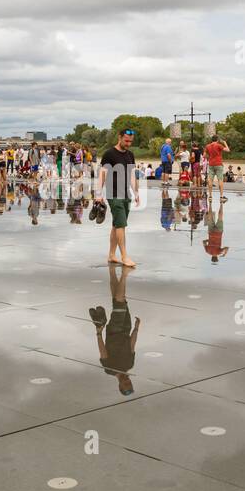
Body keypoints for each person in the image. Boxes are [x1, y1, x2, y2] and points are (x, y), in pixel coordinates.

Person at [89, 263, 140, 396]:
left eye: (125, 384)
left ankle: (124, 274)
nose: (127, 381)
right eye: (129, 383)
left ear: (120, 385)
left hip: (114, 330)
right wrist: (136, 329)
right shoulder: (130, 364)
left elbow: (103, 351)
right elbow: (132, 346)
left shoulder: (109, 369)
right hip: (127, 328)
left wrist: (99, 334)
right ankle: (112, 271)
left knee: (120, 300)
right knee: (118, 300)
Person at [97, 127, 140, 267]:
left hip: (125, 193)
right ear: (119, 137)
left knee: (117, 225)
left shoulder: (130, 154)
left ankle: (111, 255)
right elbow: (102, 174)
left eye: (130, 142)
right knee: (121, 224)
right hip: (113, 193)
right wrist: (98, 194)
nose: (128, 144)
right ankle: (124, 256)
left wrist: (136, 192)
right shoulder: (109, 154)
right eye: (126, 141)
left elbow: (132, 175)